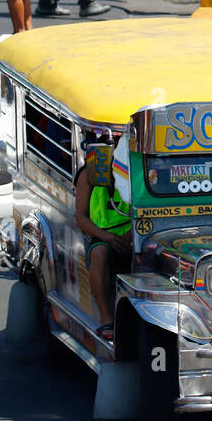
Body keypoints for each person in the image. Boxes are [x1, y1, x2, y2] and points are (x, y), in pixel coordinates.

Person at [74, 138, 132, 343]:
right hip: (103, 235)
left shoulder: (142, 164)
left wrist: (134, 232)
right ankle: (106, 317)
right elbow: (81, 217)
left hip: (137, 233)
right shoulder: (93, 170)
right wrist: (106, 236)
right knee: (99, 254)